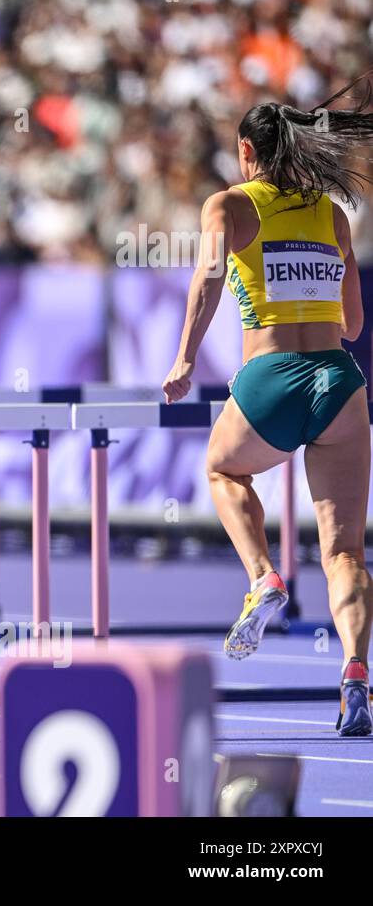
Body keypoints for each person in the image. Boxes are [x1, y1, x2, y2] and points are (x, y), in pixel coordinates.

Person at [163, 78, 373, 736]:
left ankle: (263, 579)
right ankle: (357, 674)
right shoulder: (334, 216)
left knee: (224, 471)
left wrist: (185, 360)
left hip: (272, 376)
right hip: (341, 382)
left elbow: (206, 278)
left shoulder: (227, 205)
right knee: (345, 554)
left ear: (247, 152)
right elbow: (355, 325)